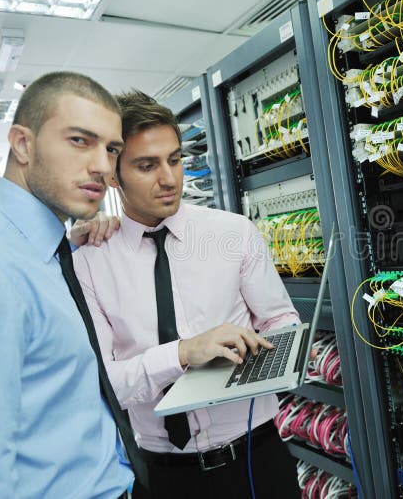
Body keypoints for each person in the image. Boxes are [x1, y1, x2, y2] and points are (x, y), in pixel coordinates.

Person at [72, 90, 303, 498]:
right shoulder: (89, 261)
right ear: (112, 174)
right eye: (147, 166)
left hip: (256, 456)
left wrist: (269, 354)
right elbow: (102, 383)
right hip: (164, 476)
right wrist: (181, 354)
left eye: (175, 159)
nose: (169, 178)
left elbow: (281, 320)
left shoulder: (233, 233)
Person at [0, 72, 140, 498]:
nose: (102, 166)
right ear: (23, 143)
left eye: (111, 149)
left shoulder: (42, 255)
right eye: (80, 140)